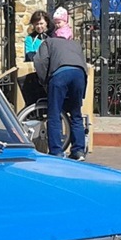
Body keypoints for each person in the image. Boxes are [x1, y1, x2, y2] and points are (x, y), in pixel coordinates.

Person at [32, 25, 87, 161]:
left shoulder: (48, 42)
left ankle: (56, 151)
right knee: (76, 113)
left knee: (54, 114)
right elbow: (83, 65)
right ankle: (79, 151)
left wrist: (44, 80)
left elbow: (39, 61)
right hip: (79, 75)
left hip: (60, 75)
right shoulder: (76, 45)